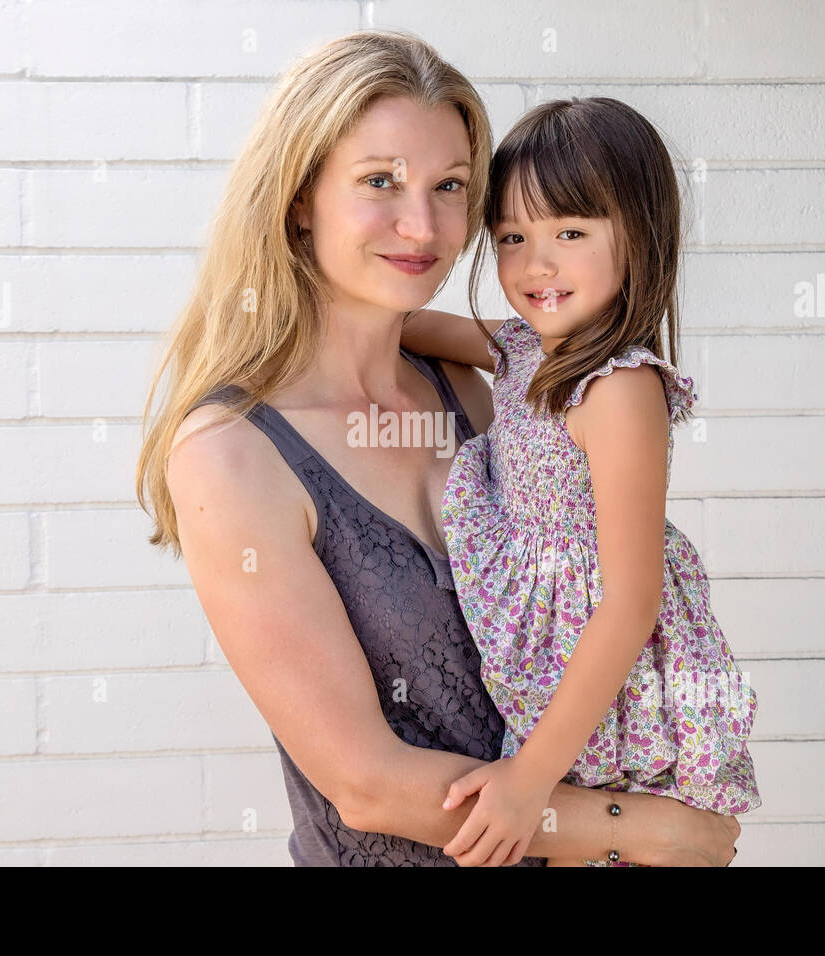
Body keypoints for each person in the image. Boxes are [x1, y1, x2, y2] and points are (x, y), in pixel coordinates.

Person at [135, 30, 740, 866]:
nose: (421, 225)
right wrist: (641, 829)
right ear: (299, 196)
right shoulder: (231, 453)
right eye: (379, 181)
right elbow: (369, 783)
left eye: (450, 186)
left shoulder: (468, 391)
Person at [399, 96, 761, 867]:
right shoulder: (526, 346)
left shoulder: (621, 389)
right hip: (547, 653)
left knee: (606, 841)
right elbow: (404, 326)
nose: (537, 264)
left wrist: (531, 779)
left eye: (570, 232)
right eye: (512, 237)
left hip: (608, 670)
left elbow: (631, 602)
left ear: (639, 236)